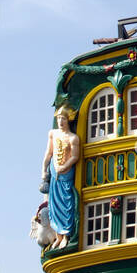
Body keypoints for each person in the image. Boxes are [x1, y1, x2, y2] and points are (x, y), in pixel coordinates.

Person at [42, 107, 80, 250]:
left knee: (66, 202)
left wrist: (65, 166)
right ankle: (58, 236)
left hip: (66, 173)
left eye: (63, 119)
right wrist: (44, 169)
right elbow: (49, 152)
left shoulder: (73, 138)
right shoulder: (53, 134)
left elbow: (75, 156)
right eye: (58, 119)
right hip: (54, 170)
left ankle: (65, 235)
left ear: (68, 120)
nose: (60, 121)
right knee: (53, 203)